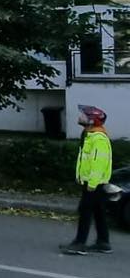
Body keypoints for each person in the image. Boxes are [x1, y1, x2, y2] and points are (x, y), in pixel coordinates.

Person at [60, 105, 113, 255]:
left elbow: (98, 163)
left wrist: (92, 184)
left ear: (91, 120)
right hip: (92, 182)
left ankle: (79, 243)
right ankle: (103, 242)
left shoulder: (98, 139)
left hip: (94, 183)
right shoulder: (89, 134)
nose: (80, 116)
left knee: (85, 211)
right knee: (98, 211)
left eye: (83, 115)